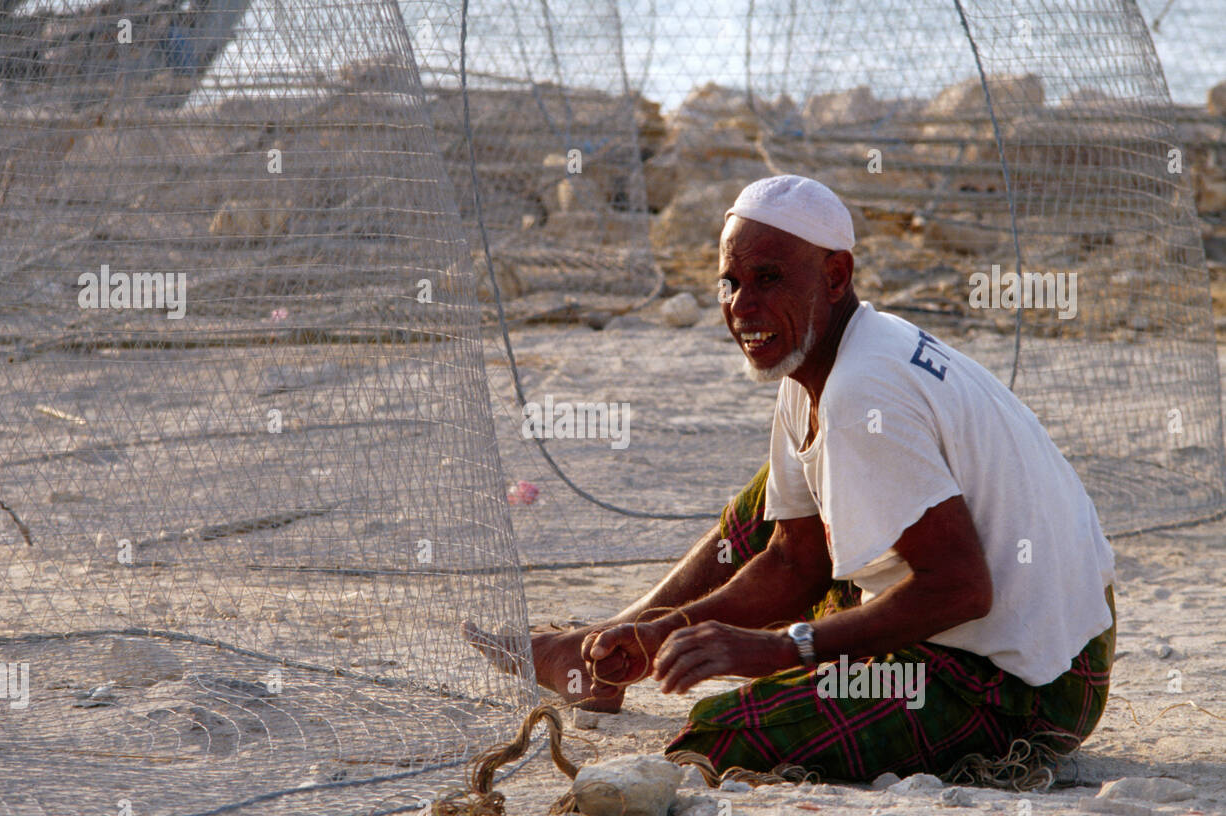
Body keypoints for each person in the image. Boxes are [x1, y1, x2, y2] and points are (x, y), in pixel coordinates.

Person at [471, 174, 1116, 781]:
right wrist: (663, 634)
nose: (742, 307)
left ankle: (599, 656)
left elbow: (960, 590)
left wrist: (782, 651)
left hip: (1027, 682)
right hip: (1050, 626)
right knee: (772, 499)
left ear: (836, 276)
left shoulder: (863, 394)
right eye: (729, 283)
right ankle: (606, 654)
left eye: (768, 278)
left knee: (721, 736)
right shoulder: (832, 362)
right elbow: (793, 561)